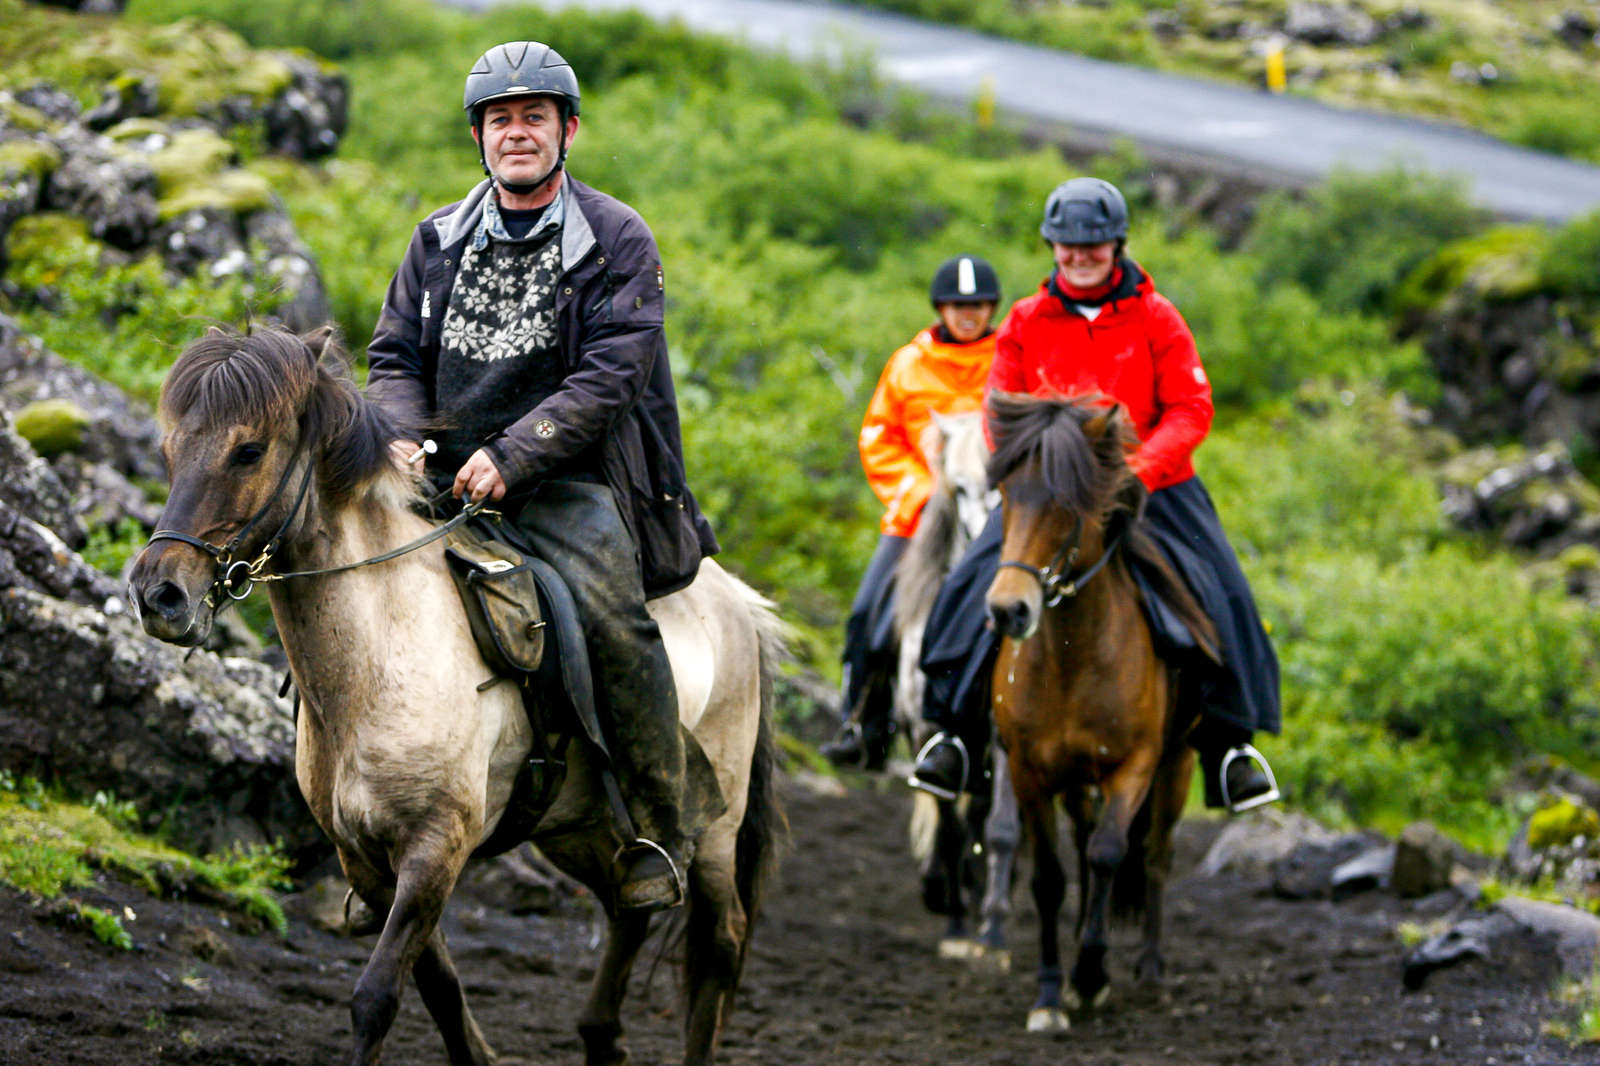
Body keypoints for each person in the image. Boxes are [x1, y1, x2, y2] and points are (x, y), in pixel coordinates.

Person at [364, 41, 719, 911]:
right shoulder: (436, 238)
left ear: (568, 130)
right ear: (479, 138)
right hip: (441, 478)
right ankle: (354, 819)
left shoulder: (618, 238)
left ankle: (657, 830)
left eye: (533, 117)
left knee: (614, 622)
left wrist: (514, 454)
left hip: (569, 482)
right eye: (499, 120)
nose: (515, 133)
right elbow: (393, 356)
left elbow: (611, 375)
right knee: (350, 591)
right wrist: (404, 436)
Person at [908, 177, 1281, 813]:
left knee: (1226, 592)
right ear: (1052, 249)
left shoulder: (1157, 317)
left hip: (1150, 489)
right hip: (1049, 496)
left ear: (1117, 247)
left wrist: (1136, 469)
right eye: (1068, 247)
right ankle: (953, 736)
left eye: (1094, 247)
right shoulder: (1025, 320)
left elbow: (1192, 408)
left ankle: (1229, 747)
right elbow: (1001, 410)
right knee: (967, 588)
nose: (1080, 257)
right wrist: (1036, 469)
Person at [820, 256, 1003, 770]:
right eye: (958, 305)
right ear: (941, 307)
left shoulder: (1012, 358)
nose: (969, 314)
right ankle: (861, 723)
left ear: (992, 308)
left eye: (979, 305)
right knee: (868, 615)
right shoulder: (908, 364)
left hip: (995, 514)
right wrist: (922, 490)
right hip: (922, 514)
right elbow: (879, 437)